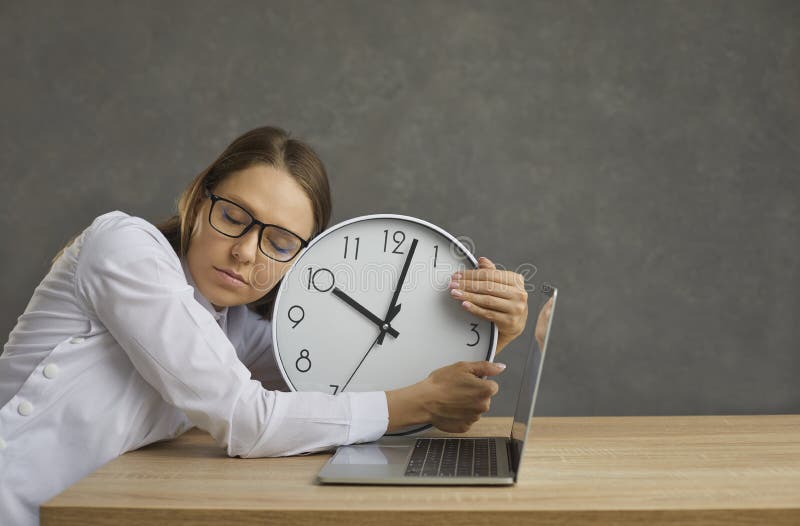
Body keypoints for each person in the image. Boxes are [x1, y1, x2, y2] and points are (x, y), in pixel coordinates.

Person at [0, 126, 532, 525]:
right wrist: (423, 403)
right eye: (233, 217)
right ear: (197, 199)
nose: (246, 252)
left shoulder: (237, 332)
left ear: (301, 259)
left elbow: (343, 390)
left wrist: (486, 335)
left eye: (279, 242)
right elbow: (247, 419)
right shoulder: (124, 247)